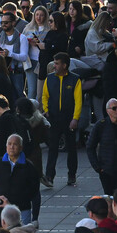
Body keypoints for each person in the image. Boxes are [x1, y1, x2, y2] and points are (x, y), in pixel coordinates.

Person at [42, 54, 82, 187]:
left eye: (57, 63)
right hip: (53, 118)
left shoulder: (74, 79)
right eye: (54, 63)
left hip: (68, 118)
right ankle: (49, 176)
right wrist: (46, 110)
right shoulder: (50, 78)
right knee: (52, 148)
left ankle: (72, 175)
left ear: (65, 65)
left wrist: (75, 118)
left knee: (71, 148)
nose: (55, 66)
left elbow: (78, 101)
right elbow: (45, 96)